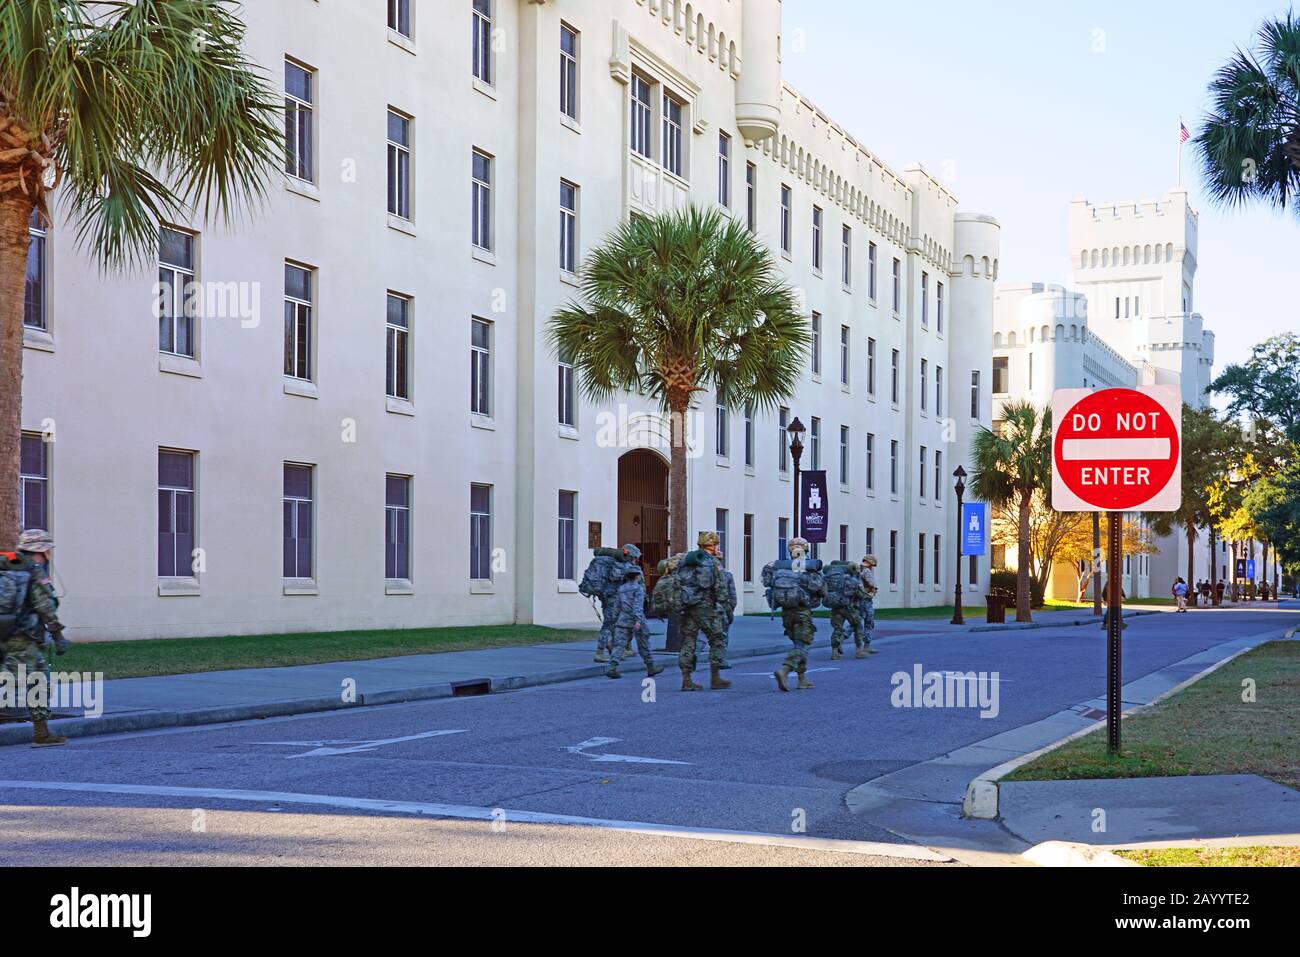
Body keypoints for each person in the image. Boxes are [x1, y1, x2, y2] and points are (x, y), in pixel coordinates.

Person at [0, 529, 70, 746]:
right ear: (43, 550)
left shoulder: (9, 568)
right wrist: (58, 635)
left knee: (25, 682)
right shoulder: (35, 571)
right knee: (31, 683)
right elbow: (45, 606)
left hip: (8, 634)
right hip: (25, 639)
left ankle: (42, 733)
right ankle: (42, 733)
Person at [765, 537, 827, 691]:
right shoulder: (810, 569)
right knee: (803, 644)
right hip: (802, 612)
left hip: (786, 613)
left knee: (798, 644)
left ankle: (802, 678)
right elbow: (820, 589)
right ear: (805, 550)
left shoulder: (779, 568)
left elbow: (767, 581)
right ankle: (785, 669)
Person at [676, 532, 729, 691]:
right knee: (717, 638)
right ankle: (715, 677)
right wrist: (725, 606)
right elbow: (720, 586)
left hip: (688, 605)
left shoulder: (687, 560)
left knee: (688, 641)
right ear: (714, 545)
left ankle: (686, 679)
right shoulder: (713, 562)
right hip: (706, 607)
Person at [580, 543, 640, 663]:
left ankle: (618, 649)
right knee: (611, 624)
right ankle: (600, 652)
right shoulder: (624, 565)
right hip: (615, 599)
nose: (635, 560)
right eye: (635, 557)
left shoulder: (607, 562)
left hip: (605, 596)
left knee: (612, 623)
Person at [606, 566, 664, 680]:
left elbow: (617, 606)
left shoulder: (621, 588)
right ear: (637, 576)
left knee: (619, 644)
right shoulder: (638, 588)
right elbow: (637, 605)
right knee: (644, 644)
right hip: (637, 621)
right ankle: (650, 667)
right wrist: (637, 620)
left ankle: (612, 668)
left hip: (622, 620)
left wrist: (614, 620)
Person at [824, 560, 866, 661]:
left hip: (835, 608)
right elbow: (860, 595)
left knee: (837, 629)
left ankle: (834, 652)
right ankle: (859, 651)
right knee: (858, 625)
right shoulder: (851, 581)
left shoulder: (832, 580)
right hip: (848, 608)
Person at [857, 555, 880, 657]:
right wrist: (873, 591)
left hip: (857, 600)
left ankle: (838, 642)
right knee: (868, 622)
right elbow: (872, 584)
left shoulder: (857, 570)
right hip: (866, 600)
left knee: (856, 621)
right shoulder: (866, 571)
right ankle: (866, 646)